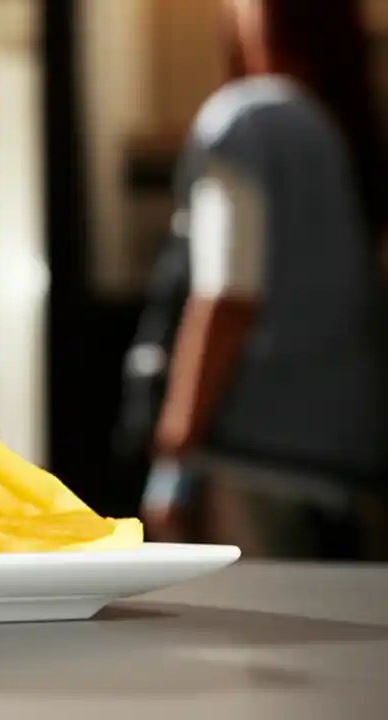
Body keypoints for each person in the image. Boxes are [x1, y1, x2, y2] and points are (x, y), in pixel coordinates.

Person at [139, 0, 388, 558]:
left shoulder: (248, 120)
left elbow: (227, 294)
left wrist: (173, 455)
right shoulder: (338, 130)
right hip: (342, 466)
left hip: (252, 462)